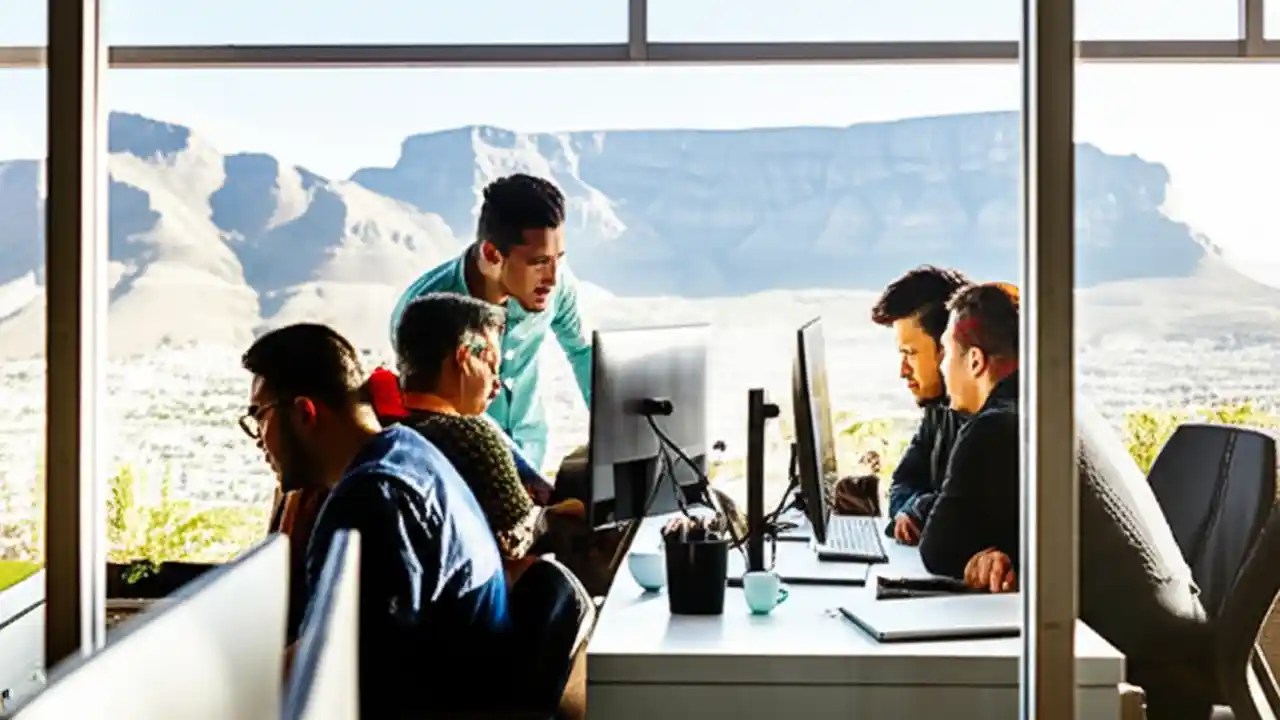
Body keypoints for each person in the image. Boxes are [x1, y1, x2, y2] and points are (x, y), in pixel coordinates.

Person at [240, 323, 512, 716]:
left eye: (259, 416)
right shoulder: (405, 450)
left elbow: (331, 671)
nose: (259, 438)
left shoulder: (373, 499)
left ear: (304, 412)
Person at [389, 173, 592, 471]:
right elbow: (423, 411)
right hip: (463, 467)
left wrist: (621, 436)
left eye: (557, 259)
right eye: (538, 263)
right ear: (491, 253)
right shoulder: (423, 310)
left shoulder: (556, 284)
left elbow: (583, 354)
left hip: (534, 455)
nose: (551, 278)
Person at [392, 291, 586, 582]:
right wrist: (561, 514)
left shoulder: (388, 432)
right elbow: (518, 537)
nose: (496, 386)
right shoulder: (470, 435)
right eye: (492, 367)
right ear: (464, 359)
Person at [917, 283, 1021, 591]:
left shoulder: (992, 427)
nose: (942, 366)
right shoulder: (1044, 408)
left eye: (947, 352)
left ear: (975, 361)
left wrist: (921, 507)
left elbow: (937, 550)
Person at [858, 265, 972, 543]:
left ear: (949, 346)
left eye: (910, 353)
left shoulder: (988, 420)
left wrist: (918, 511)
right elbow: (903, 482)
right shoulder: (938, 409)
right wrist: (909, 514)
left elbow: (963, 508)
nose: (903, 370)